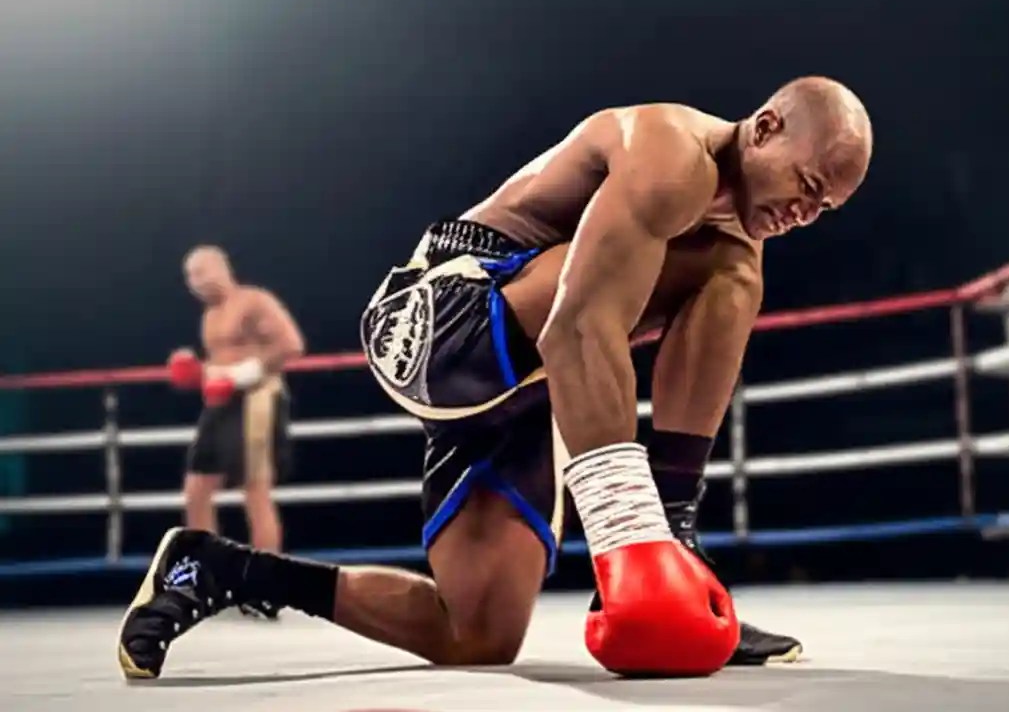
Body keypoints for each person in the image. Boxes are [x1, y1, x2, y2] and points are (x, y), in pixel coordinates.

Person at [117, 76, 872, 679]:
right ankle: (664, 535)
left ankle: (217, 568)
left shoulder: (731, 224)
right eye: (806, 184)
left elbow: (579, 336)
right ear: (765, 127)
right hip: (441, 315)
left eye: (824, 207)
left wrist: (664, 567)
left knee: (475, 635)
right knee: (732, 272)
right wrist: (631, 536)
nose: (804, 213)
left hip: (526, 382)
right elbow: (576, 326)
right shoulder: (672, 153)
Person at [164, 245, 306, 618]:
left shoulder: (254, 301)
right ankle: (207, 581)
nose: (195, 282)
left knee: (255, 490)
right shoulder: (209, 316)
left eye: (201, 272)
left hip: (257, 398)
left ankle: (266, 589)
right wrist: (199, 372)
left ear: (222, 268)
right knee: (196, 490)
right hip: (221, 404)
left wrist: (244, 373)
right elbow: (221, 365)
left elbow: (292, 344)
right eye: (189, 276)